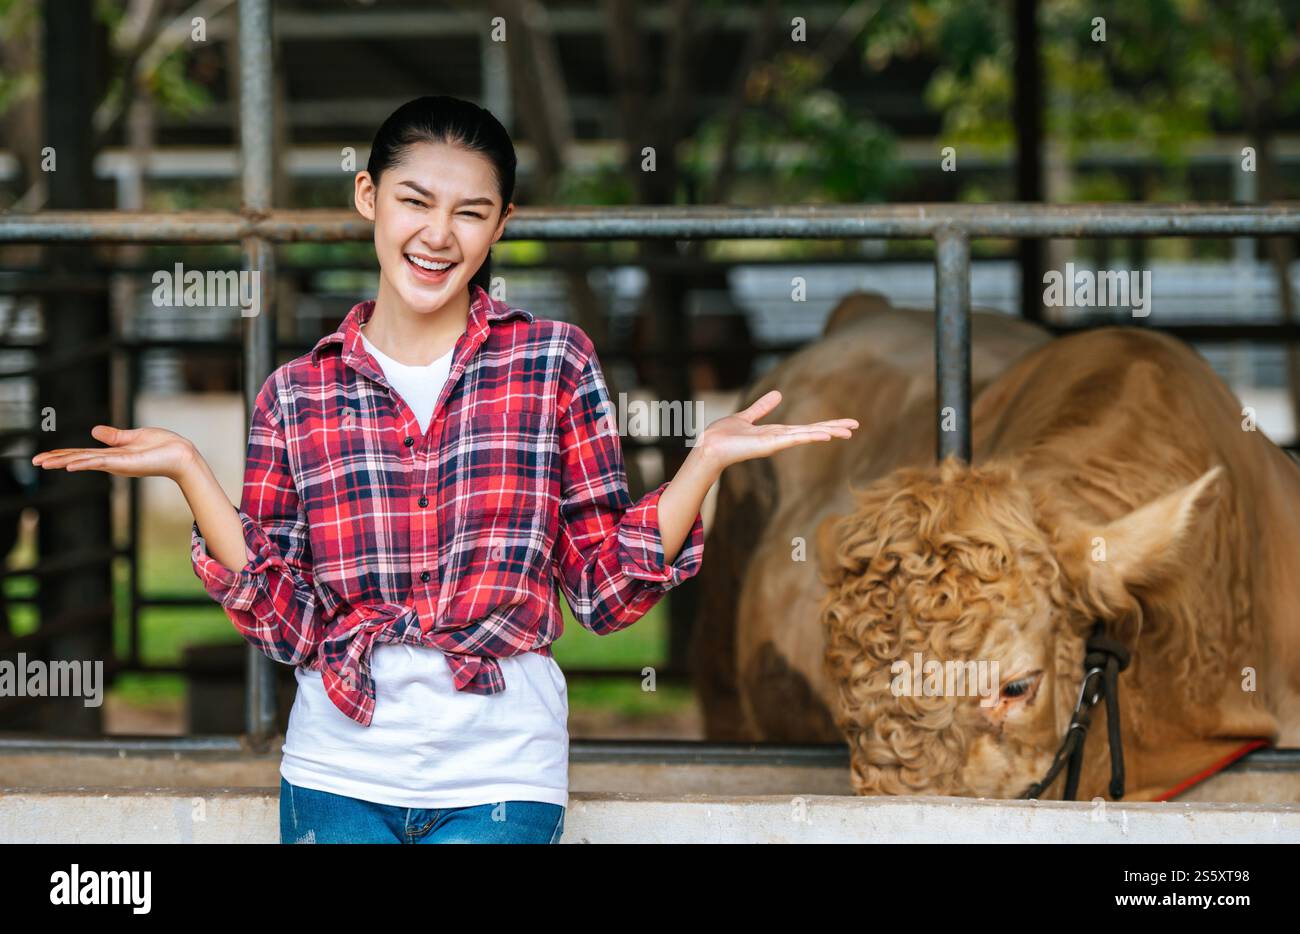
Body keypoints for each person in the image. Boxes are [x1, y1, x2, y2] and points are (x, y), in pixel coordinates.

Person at [31, 95, 858, 844]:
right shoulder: (297, 394)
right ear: (368, 198)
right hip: (336, 773)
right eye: (414, 202)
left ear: (501, 225)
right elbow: (288, 625)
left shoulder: (554, 363)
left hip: (503, 773)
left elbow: (605, 592)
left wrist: (703, 460)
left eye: (471, 212)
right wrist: (189, 470)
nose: (438, 235)